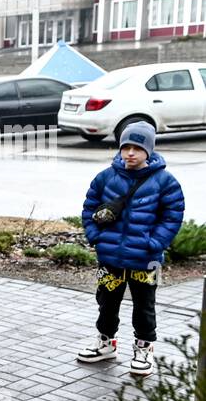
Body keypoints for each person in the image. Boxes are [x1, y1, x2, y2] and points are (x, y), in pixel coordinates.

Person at [77, 121, 184, 376]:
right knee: (106, 302)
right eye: (126, 147)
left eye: (137, 147)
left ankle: (144, 349)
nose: (131, 153)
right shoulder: (105, 177)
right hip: (110, 256)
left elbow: (172, 215)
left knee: (144, 305)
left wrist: (154, 243)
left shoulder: (165, 181)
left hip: (147, 260)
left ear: (149, 150)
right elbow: (89, 209)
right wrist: (96, 237)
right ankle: (105, 343)